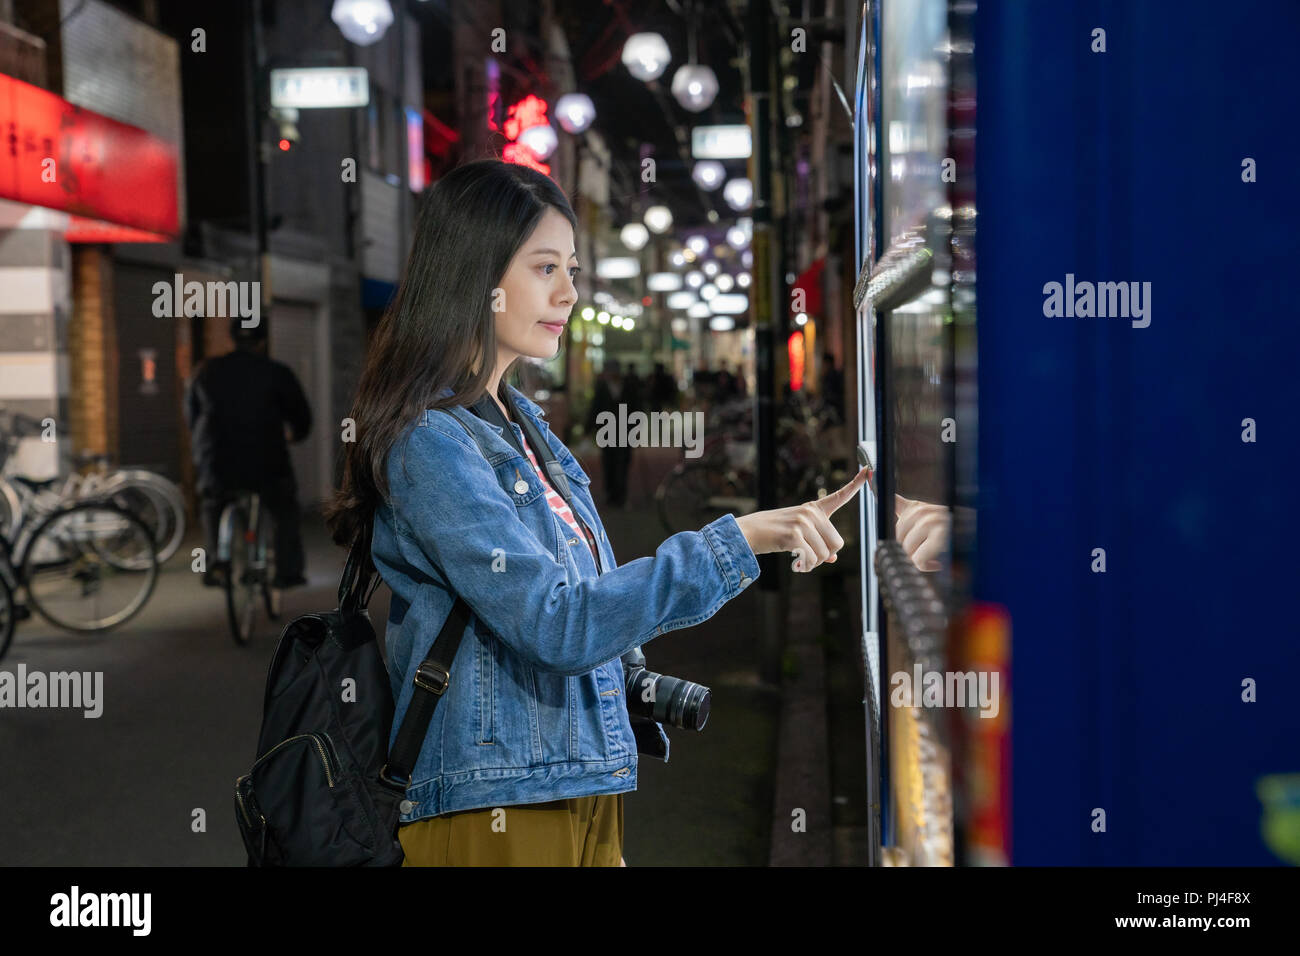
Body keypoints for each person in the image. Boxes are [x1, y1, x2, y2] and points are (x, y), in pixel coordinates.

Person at [323, 158, 869, 867]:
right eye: (545, 268)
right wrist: (740, 539)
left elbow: (586, 606)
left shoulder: (522, 424)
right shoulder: (429, 442)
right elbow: (557, 620)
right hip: (494, 799)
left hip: (575, 784)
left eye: (573, 270)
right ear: (475, 275)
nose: (570, 293)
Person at [184, 318, 311, 590]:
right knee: (284, 508)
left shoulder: (205, 370)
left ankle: (216, 562)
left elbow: (192, 416)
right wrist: (295, 434)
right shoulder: (276, 372)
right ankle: (287, 573)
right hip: (265, 463)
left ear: (232, 338)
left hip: (216, 462)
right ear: (262, 341)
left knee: (213, 503)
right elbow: (301, 416)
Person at [587, 358, 634, 507]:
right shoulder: (601, 387)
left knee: (624, 462)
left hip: (626, 430)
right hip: (606, 431)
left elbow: (636, 407)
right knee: (608, 462)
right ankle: (610, 493)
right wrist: (589, 427)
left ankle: (621, 494)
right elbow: (595, 407)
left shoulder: (628, 386)